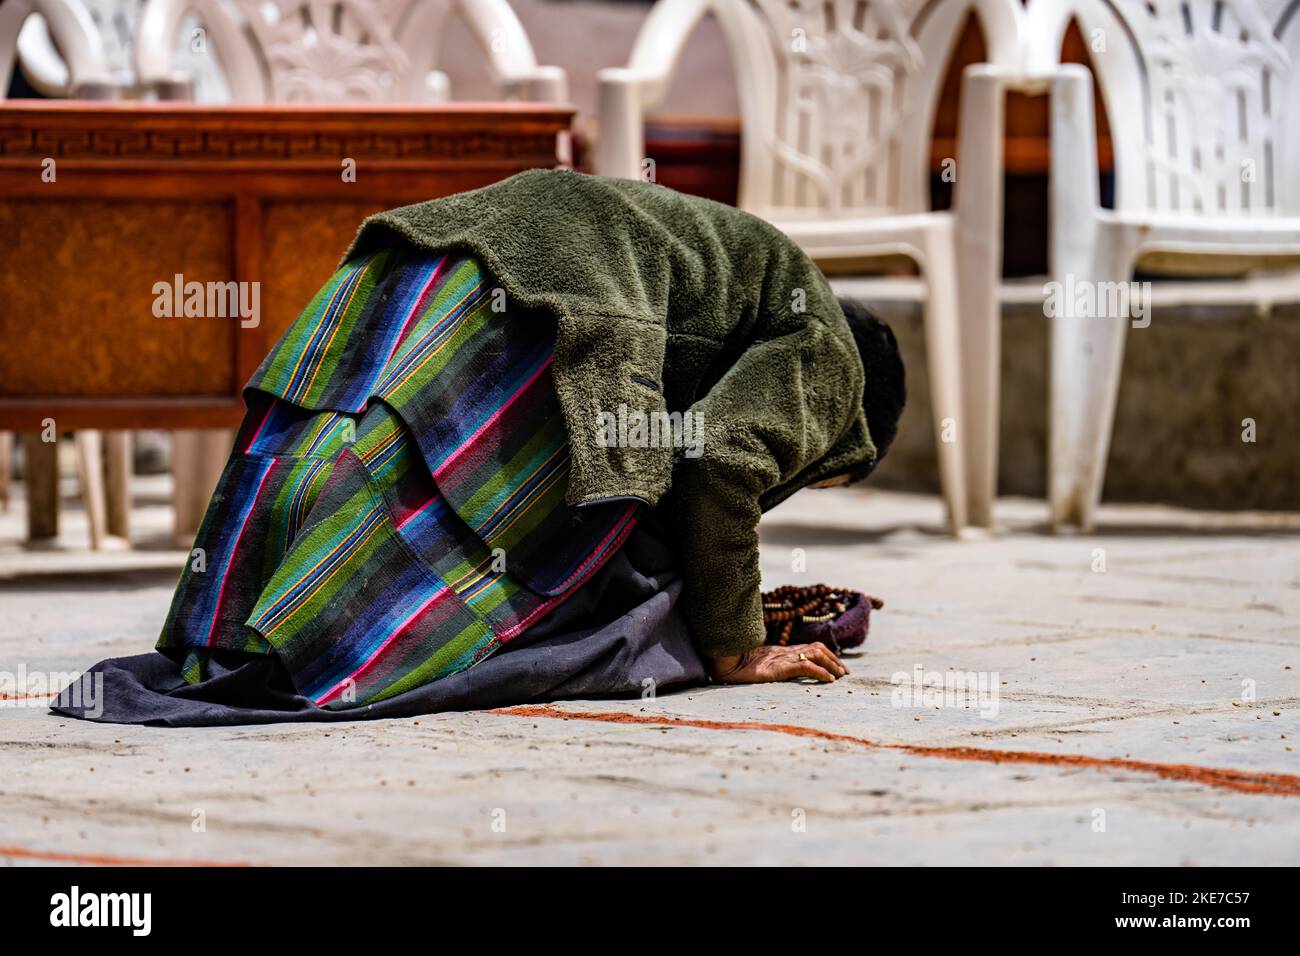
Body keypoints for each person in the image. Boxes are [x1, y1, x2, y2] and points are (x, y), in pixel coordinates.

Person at [54, 170, 905, 726]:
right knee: (453, 534)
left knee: (332, 447)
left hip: (423, 247)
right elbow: (720, 463)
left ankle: (234, 644)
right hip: (561, 290)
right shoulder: (830, 361)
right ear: (850, 441)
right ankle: (326, 652)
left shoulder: (763, 284)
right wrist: (734, 640)